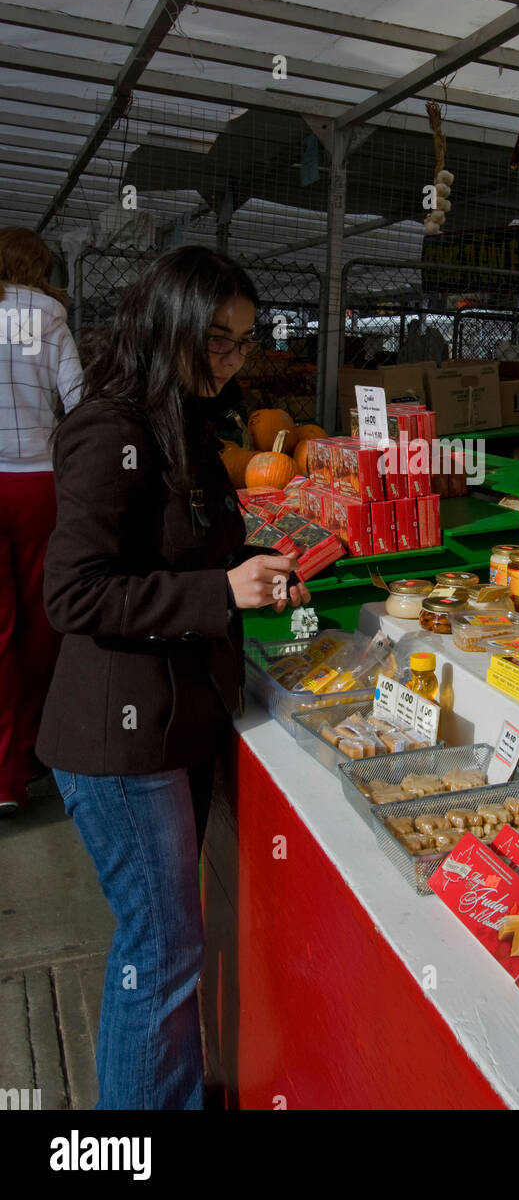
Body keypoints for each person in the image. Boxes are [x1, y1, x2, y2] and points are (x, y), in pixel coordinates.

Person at [36, 245, 310, 1110]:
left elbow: (177, 548)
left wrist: (250, 561)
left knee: (166, 951)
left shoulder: (185, 422)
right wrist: (216, 590)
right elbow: (73, 592)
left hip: (168, 721)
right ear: (167, 329)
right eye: (215, 339)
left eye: (242, 341)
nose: (230, 357)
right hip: (119, 740)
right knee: (155, 957)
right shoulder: (108, 430)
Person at [0, 227, 82, 814]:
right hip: (36, 484)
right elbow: (77, 399)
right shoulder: (48, 312)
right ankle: (26, 758)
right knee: (38, 619)